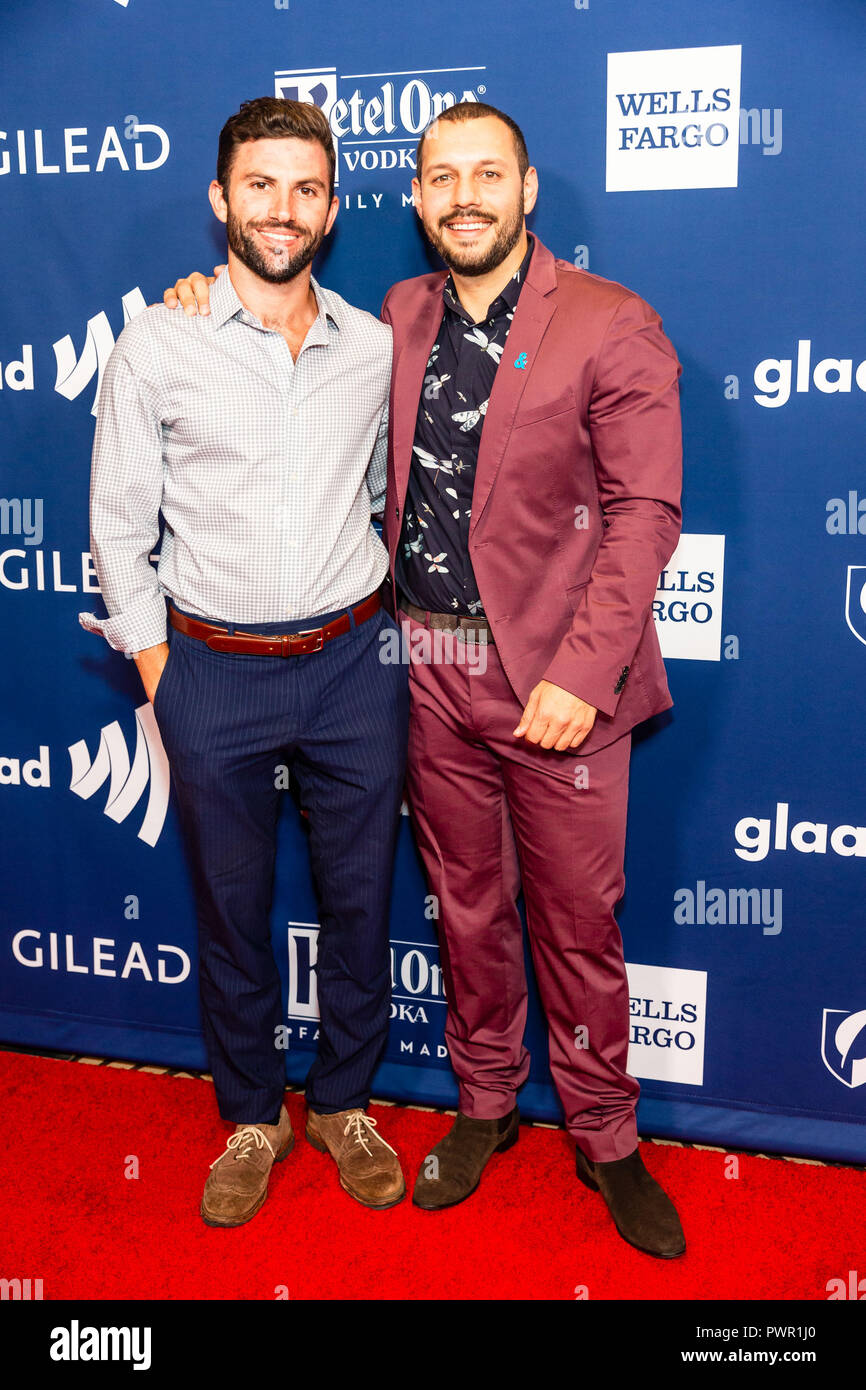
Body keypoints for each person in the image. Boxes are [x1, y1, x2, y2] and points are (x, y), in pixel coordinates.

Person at [165, 102, 686, 1259]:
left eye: (485, 174)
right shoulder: (390, 318)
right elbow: (264, 313)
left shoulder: (612, 324)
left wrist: (581, 674)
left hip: (558, 683)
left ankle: (605, 1135)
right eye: (440, 176)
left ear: (527, 188)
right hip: (423, 668)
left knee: (575, 923)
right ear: (411, 199)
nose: (463, 195)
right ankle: (487, 1107)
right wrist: (191, 299)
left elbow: (647, 513)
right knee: (466, 911)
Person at [80, 97, 409, 1228]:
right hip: (208, 671)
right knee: (230, 908)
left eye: (306, 188)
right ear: (221, 199)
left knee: (361, 900)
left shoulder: (371, 346)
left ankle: (346, 1103)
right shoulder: (157, 340)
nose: (283, 209)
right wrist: (163, 670)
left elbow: (378, 499)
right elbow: (117, 527)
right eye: (260, 186)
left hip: (352, 663)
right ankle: (249, 1116)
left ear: (330, 205)